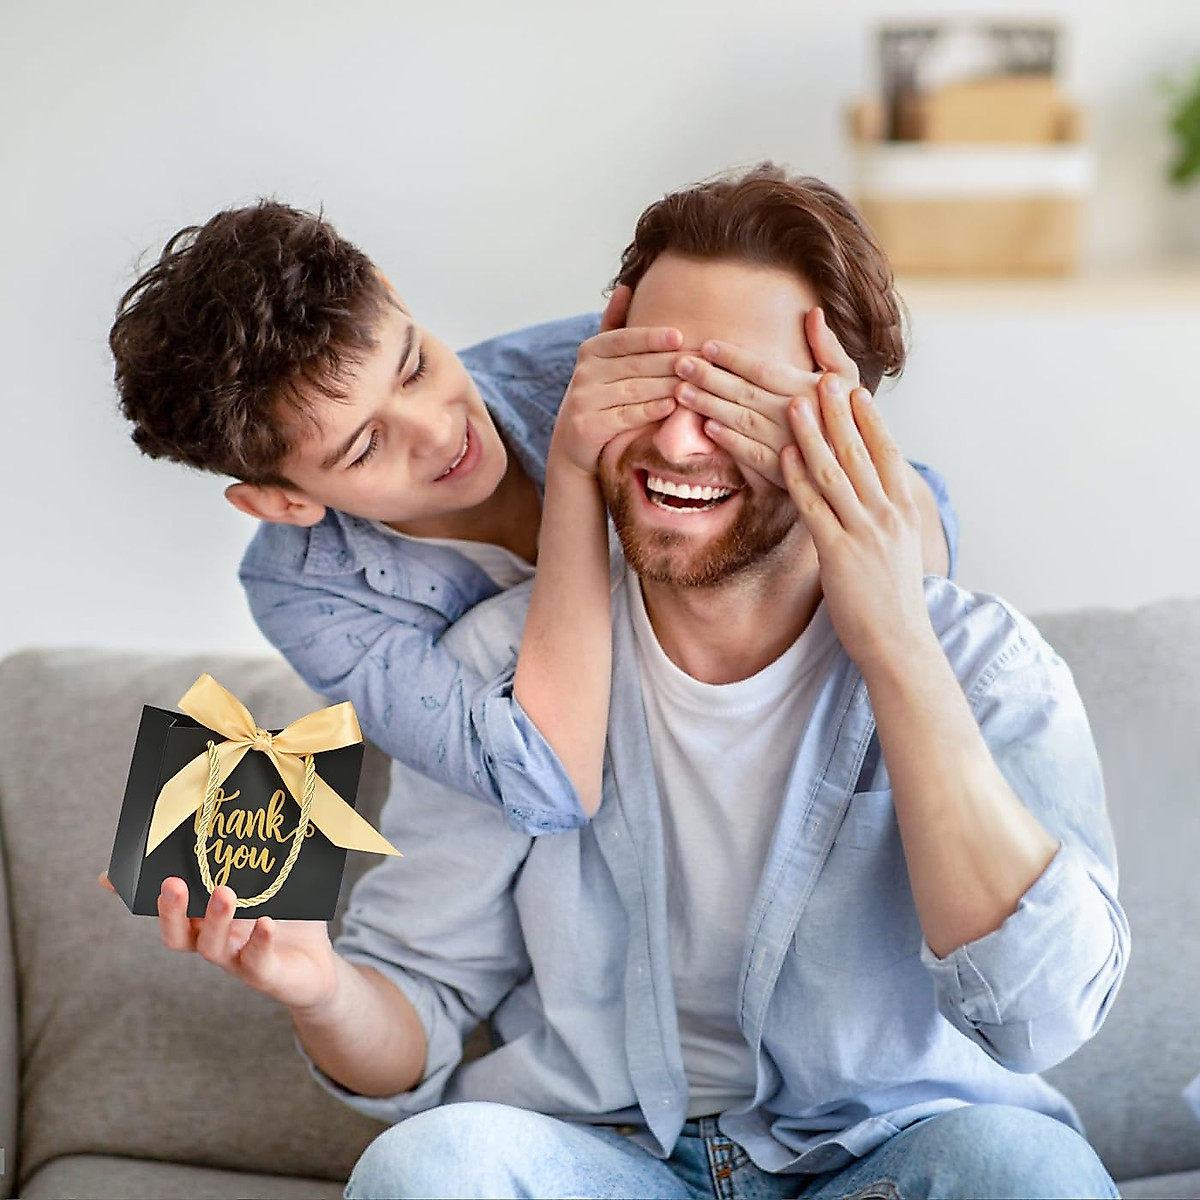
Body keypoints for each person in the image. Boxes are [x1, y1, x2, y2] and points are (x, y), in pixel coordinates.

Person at [127, 166, 1126, 1200]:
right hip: (608, 1156)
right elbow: (479, 898)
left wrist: (896, 638)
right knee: (428, 1169)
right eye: (657, 389)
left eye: (731, 395)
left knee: (1026, 1169)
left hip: (890, 1152)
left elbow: (1043, 1023)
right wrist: (318, 985)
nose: (682, 434)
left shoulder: (979, 660)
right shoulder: (473, 672)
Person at [108, 198, 956, 839]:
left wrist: (832, 427)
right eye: (365, 447)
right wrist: (577, 474)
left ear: (396, 298)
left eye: (414, 367)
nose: (439, 430)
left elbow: (925, 542)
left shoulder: (591, 359)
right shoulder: (302, 591)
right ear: (284, 502)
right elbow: (549, 786)